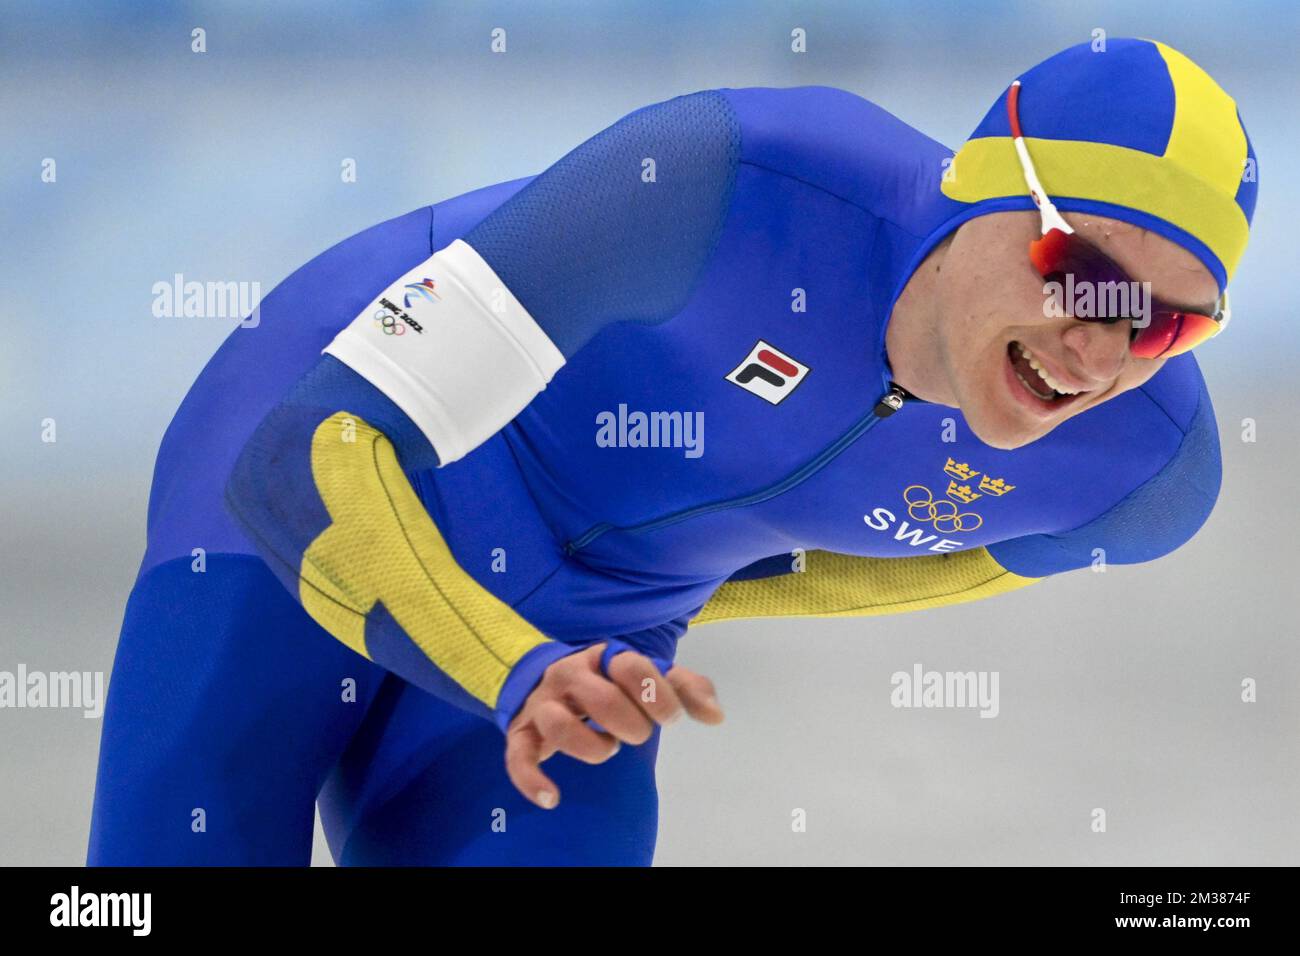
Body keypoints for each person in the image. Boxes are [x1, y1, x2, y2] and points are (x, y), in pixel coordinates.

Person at [88, 38, 1256, 865]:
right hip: (336, 443)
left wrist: (625, 623)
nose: (1103, 351)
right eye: (1086, 275)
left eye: (1169, 321)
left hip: (582, 639)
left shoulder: (1140, 474)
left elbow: (902, 562)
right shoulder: (726, 178)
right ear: (981, 186)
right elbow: (301, 456)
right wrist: (512, 663)